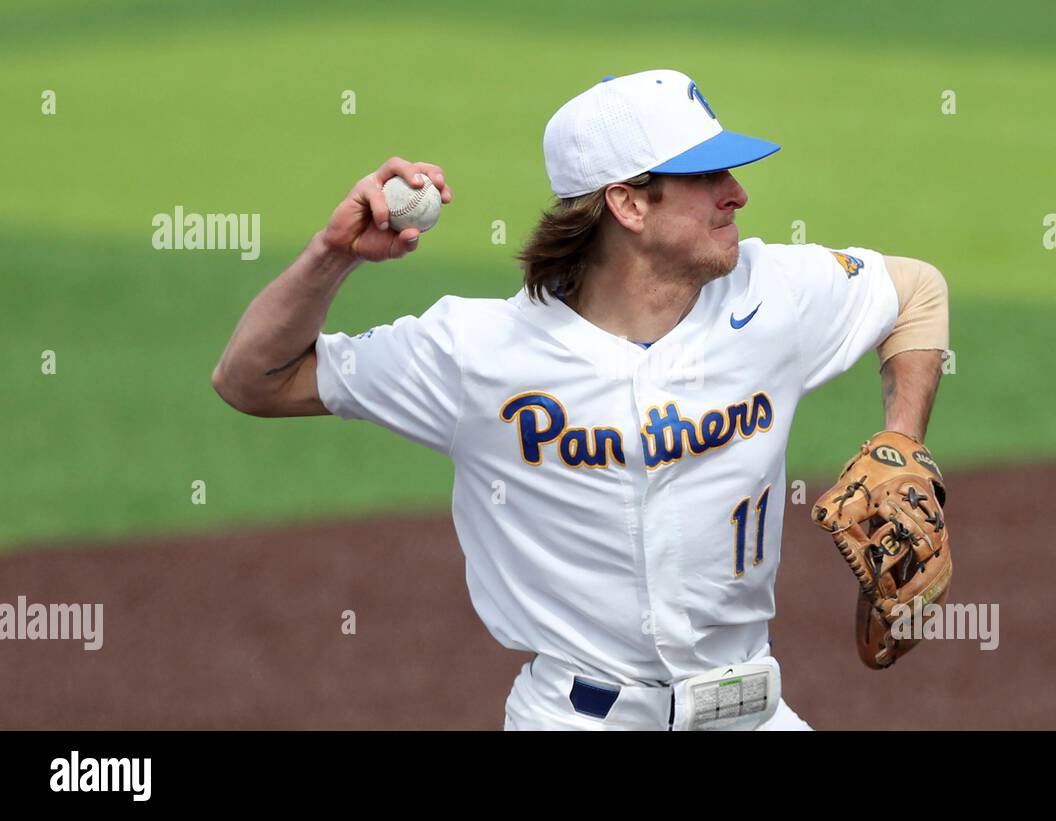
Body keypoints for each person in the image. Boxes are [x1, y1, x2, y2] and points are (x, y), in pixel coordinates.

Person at [212, 68, 949, 730]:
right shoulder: (478, 351)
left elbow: (916, 290)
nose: (738, 193)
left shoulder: (772, 294)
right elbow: (252, 378)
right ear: (627, 203)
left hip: (751, 714)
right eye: (706, 174)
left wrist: (904, 439)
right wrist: (332, 254)